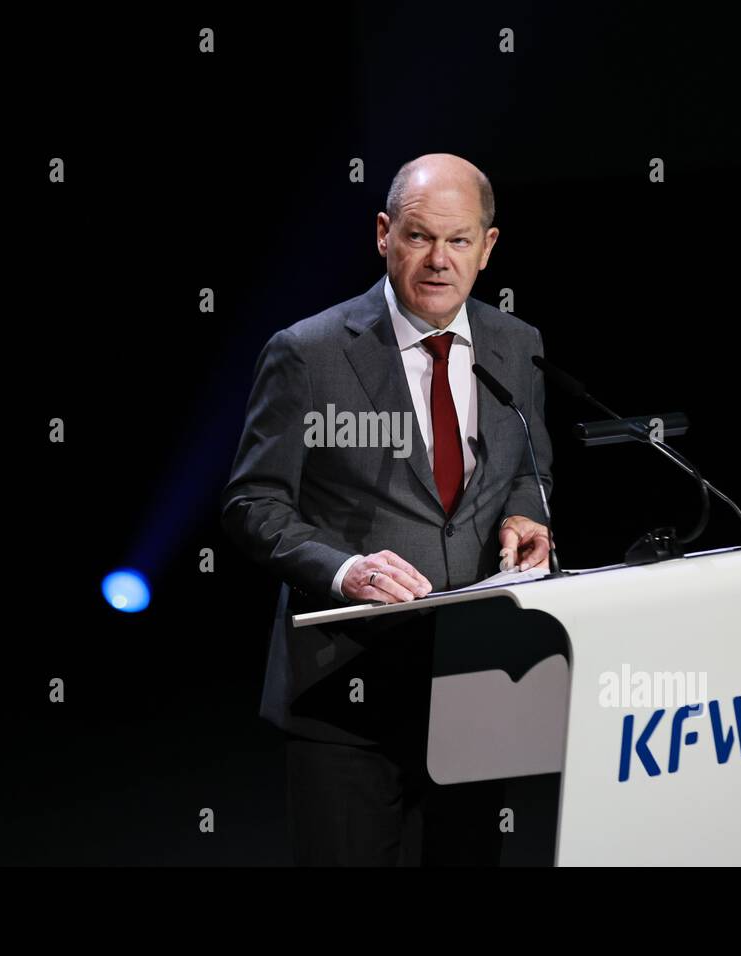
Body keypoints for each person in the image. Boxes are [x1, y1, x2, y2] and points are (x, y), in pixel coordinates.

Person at [221, 153, 555, 865]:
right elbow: (253, 502)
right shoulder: (307, 353)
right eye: (418, 236)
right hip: (347, 697)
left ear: (488, 247)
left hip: (477, 685)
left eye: (459, 240)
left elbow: (529, 468)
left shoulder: (515, 344)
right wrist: (344, 571)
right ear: (383, 234)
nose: (439, 261)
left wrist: (528, 516)